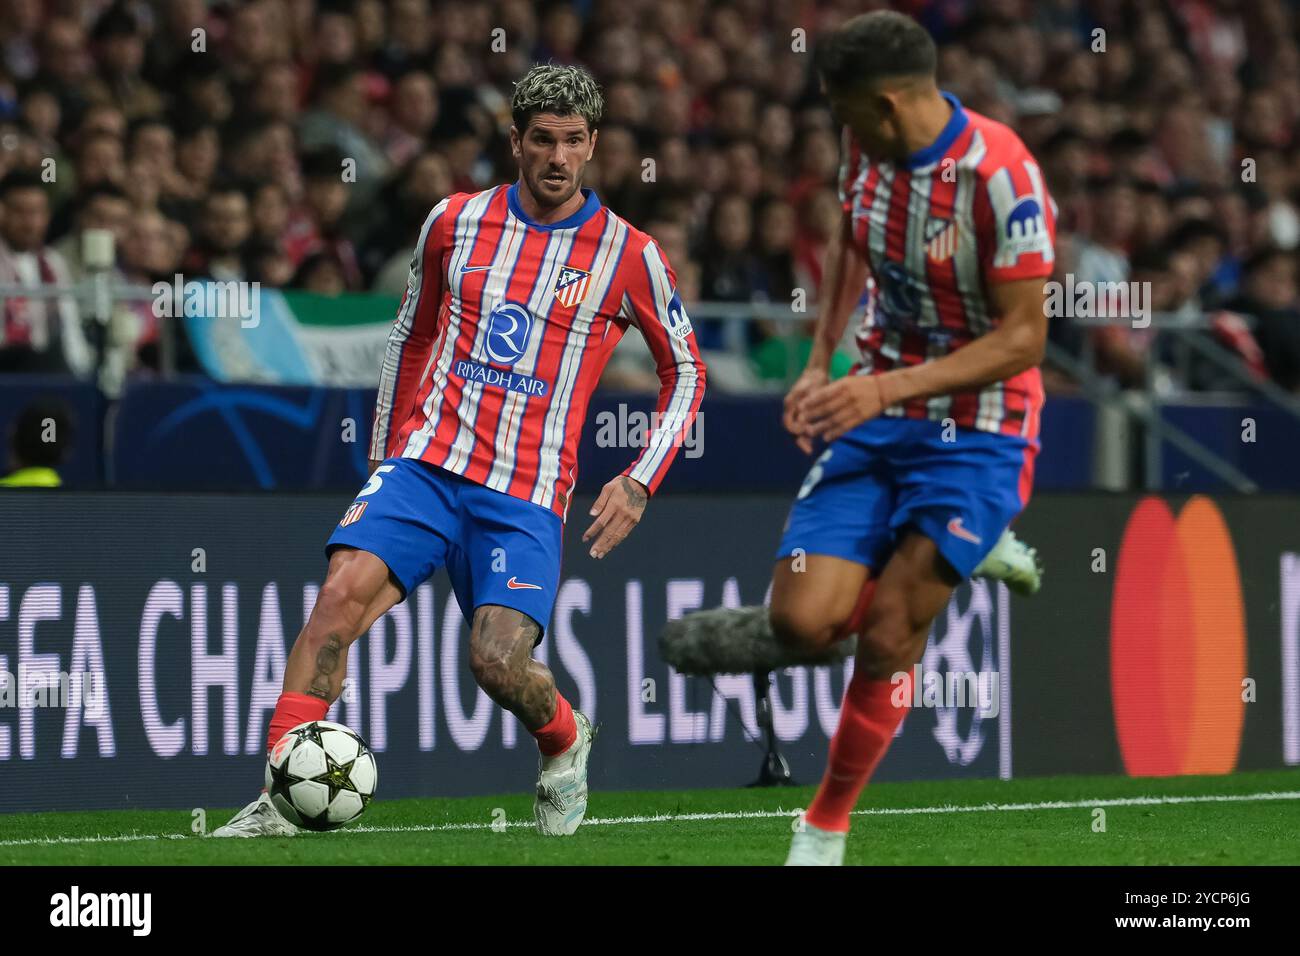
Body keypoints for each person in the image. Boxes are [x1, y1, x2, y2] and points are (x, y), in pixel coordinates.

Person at [214, 64, 706, 838]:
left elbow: (687, 372)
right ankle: (283, 794)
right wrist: (385, 455)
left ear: (593, 147)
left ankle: (566, 741)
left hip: (524, 495)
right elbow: (411, 336)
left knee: (498, 661)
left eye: (573, 142)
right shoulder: (454, 222)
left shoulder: (628, 254)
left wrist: (640, 479)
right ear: (514, 141)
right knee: (338, 598)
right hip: (425, 467)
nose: (556, 158)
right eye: (541, 140)